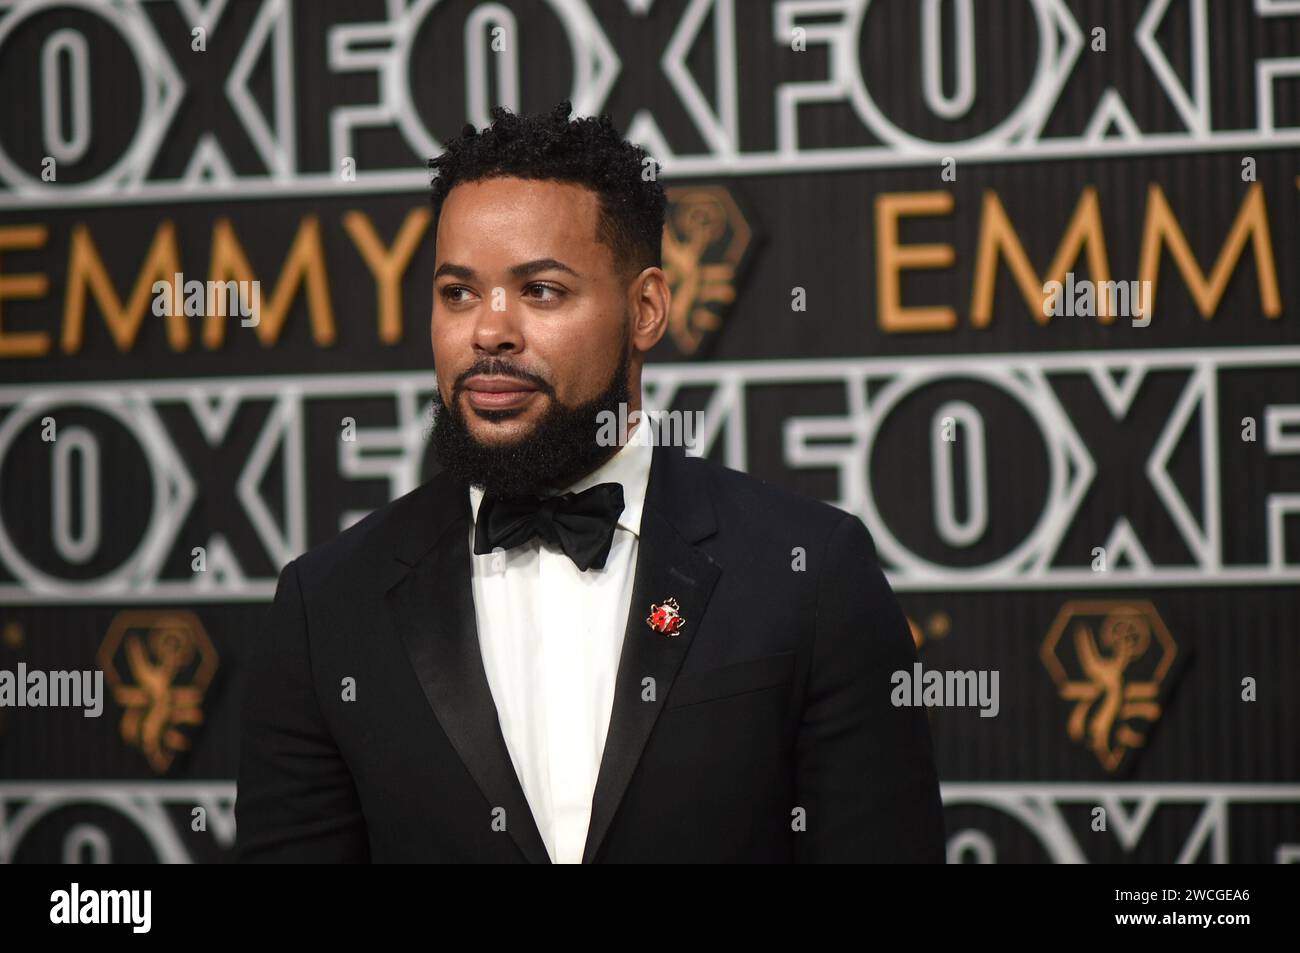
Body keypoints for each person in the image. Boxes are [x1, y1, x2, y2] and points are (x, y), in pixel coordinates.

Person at [235, 101, 945, 863]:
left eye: (541, 290)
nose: (489, 330)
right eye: (457, 293)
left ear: (645, 309)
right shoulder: (326, 608)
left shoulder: (810, 573)